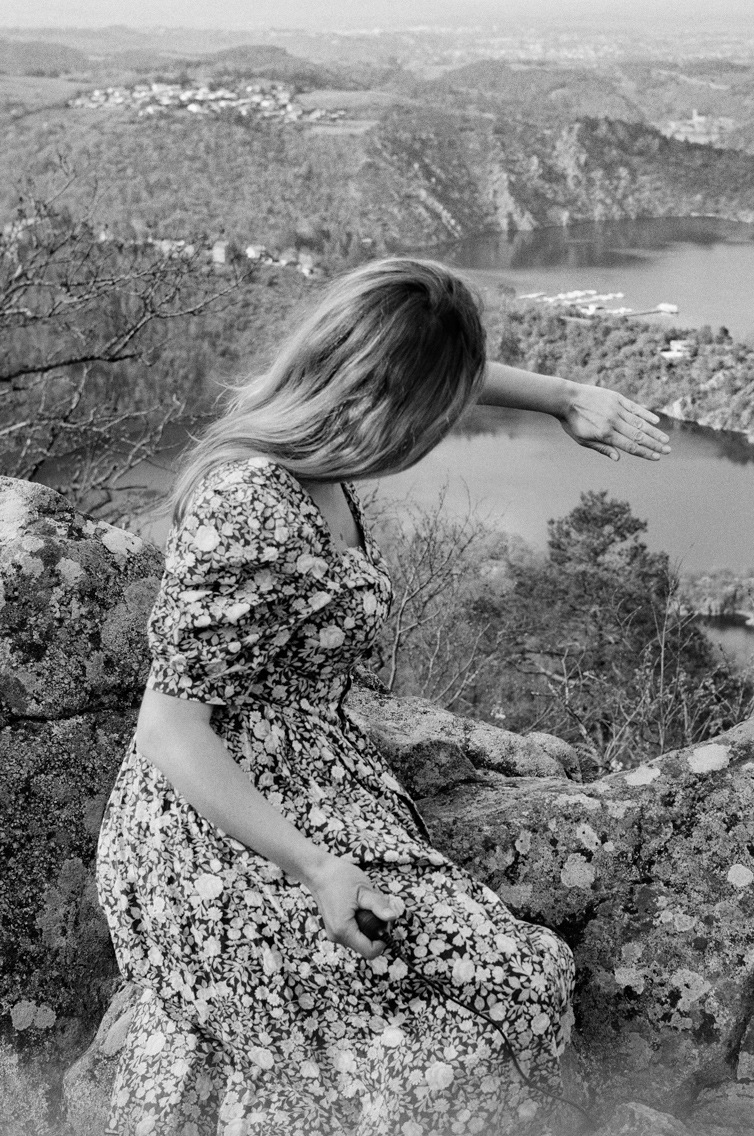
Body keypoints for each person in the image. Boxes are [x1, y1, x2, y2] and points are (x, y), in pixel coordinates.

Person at [96, 258, 670, 1136]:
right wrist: (313, 866)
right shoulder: (250, 501)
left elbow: (435, 356)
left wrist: (563, 396)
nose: (436, 434)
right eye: (429, 416)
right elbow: (169, 727)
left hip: (314, 779)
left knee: (522, 983)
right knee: (475, 1022)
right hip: (213, 827)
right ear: (374, 395)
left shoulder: (320, 449)